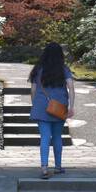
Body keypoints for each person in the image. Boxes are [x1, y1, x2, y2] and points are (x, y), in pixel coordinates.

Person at [28, 42, 75, 179]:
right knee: (57, 137)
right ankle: (58, 167)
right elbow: (71, 87)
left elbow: (33, 90)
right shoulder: (63, 69)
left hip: (42, 106)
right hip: (59, 106)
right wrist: (72, 106)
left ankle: (44, 168)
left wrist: (35, 105)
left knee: (44, 137)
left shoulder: (37, 69)